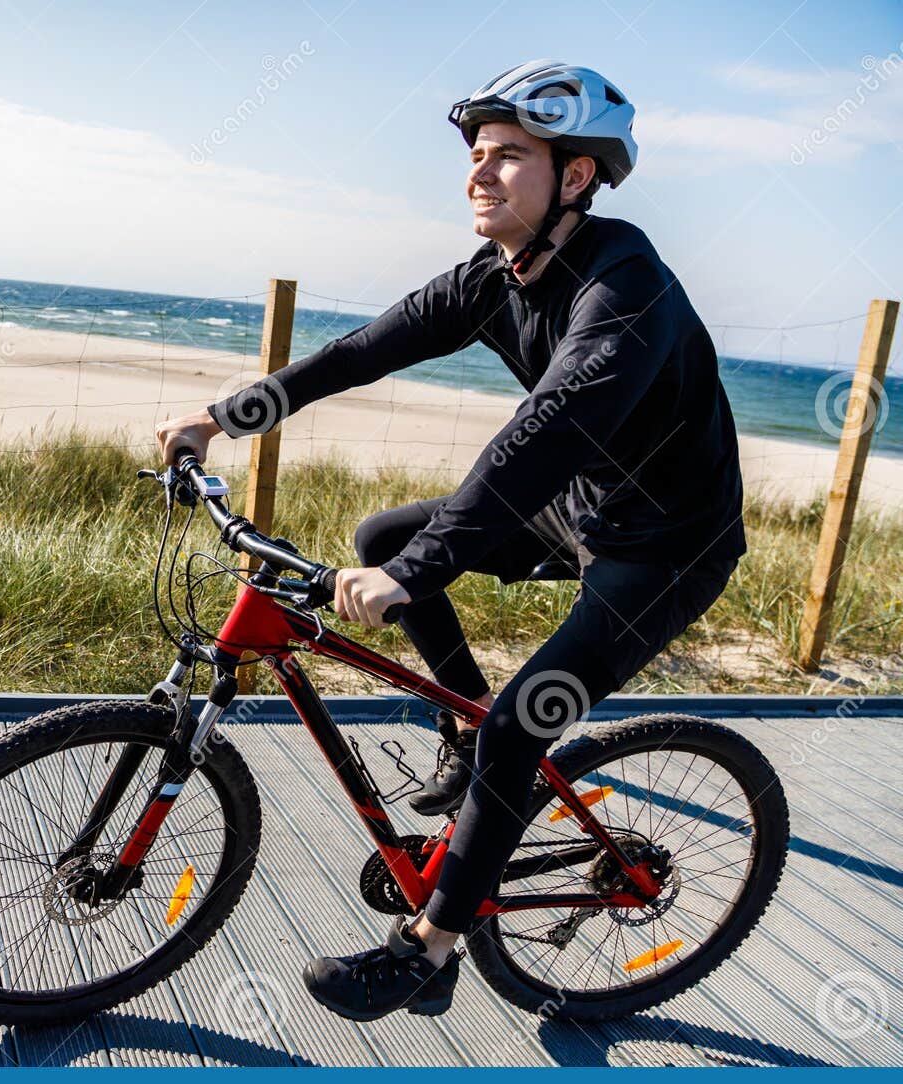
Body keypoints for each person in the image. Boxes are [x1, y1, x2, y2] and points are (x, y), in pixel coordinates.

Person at [154, 61, 746, 1022]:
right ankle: (464, 725)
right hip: (581, 507)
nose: (479, 174)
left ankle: (428, 953)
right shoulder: (496, 276)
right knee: (382, 531)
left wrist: (414, 575)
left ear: (578, 178)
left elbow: (544, 433)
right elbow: (361, 352)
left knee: (527, 722)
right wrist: (222, 417)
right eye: (476, 155)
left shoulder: (625, 286)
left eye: (509, 156)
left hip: (666, 546)